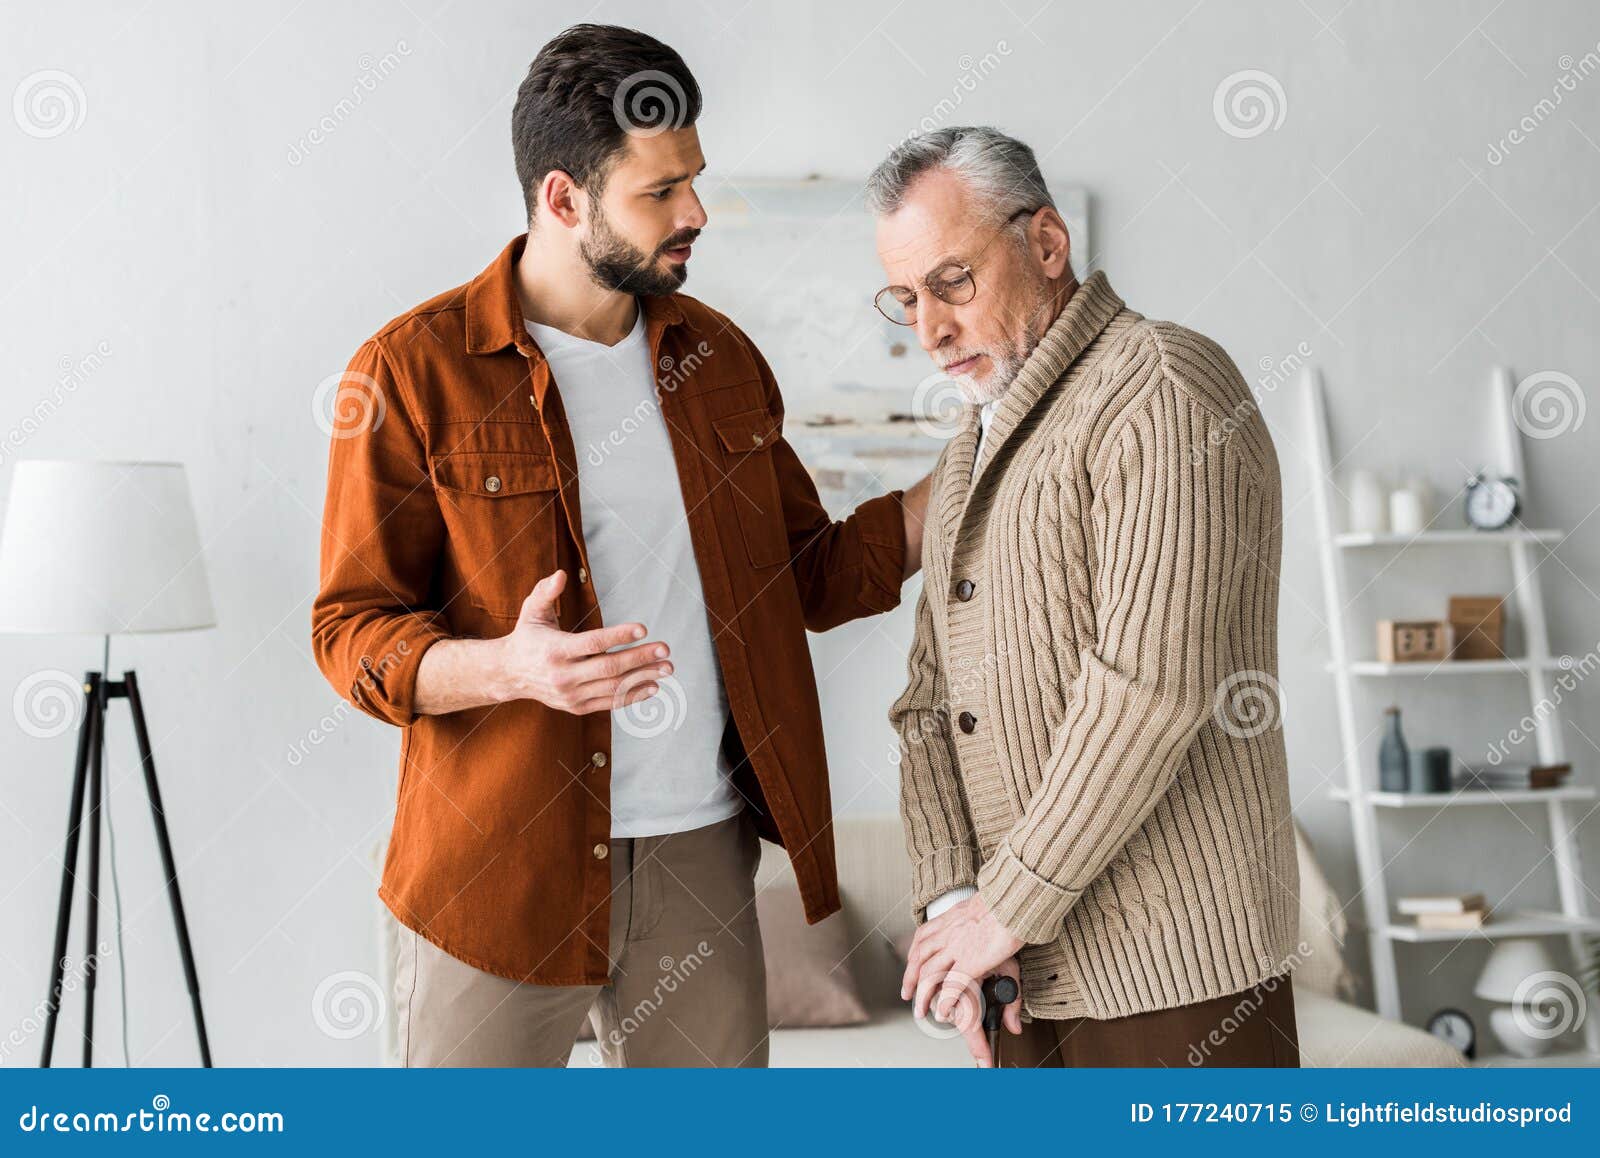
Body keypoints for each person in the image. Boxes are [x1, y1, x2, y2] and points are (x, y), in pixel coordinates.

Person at [311, 23, 929, 1068]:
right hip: (496, 875)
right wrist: (509, 667)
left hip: (698, 863)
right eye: (661, 191)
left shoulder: (719, 359)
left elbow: (810, 579)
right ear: (564, 199)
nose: (695, 214)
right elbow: (349, 632)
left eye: (695, 180)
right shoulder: (412, 372)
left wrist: (966, 475)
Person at [876, 126, 1300, 1067]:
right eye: (906, 299)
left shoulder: (1163, 386)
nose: (929, 330)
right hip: (1014, 975)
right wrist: (957, 912)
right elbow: (926, 704)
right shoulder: (970, 448)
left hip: (1177, 973)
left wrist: (1004, 905)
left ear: (1046, 243)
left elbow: (1152, 688)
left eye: (952, 283)